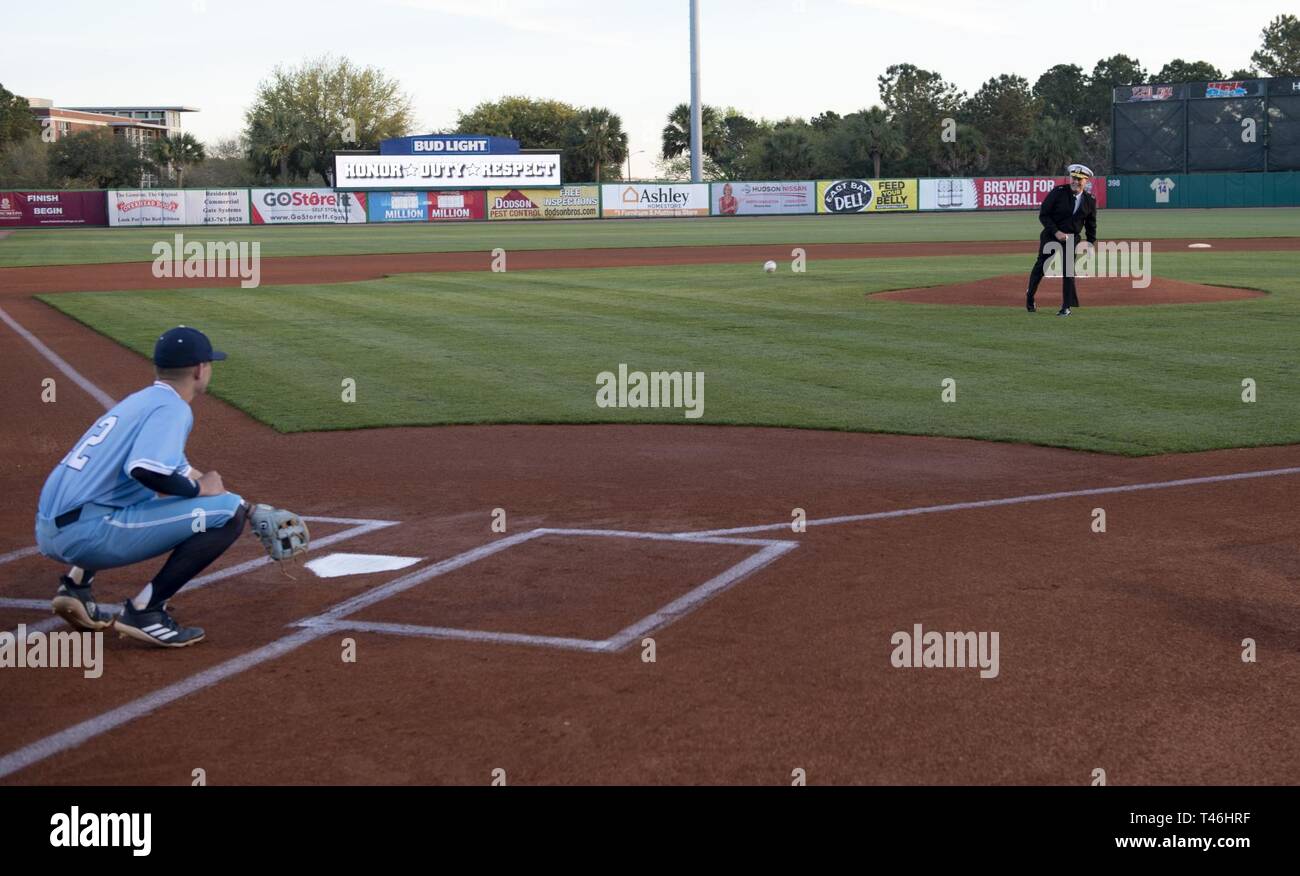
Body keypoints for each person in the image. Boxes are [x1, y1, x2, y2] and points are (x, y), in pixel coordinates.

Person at [33, 327, 299, 648]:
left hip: (52, 528)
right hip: (86, 534)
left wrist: (249, 507)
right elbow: (147, 470)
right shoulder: (173, 409)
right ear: (200, 369)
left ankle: (76, 586)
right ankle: (146, 612)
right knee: (227, 517)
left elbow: (179, 472)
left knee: (154, 496)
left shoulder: (142, 401)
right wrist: (218, 500)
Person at [1025, 164, 1098, 316]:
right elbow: (1044, 215)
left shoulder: (1090, 200)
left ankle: (1066, 307)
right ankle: (1030, 296)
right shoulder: (1058, 192)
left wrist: (1090, 242)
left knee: (1068, 271)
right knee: (1041, 266)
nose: (1075, 181)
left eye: (1079, 179)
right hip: (1051, 235)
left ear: (1086, 181)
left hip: (1072, 238)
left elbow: (1091, 224)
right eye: (1073, 178)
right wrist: (1056, 232)